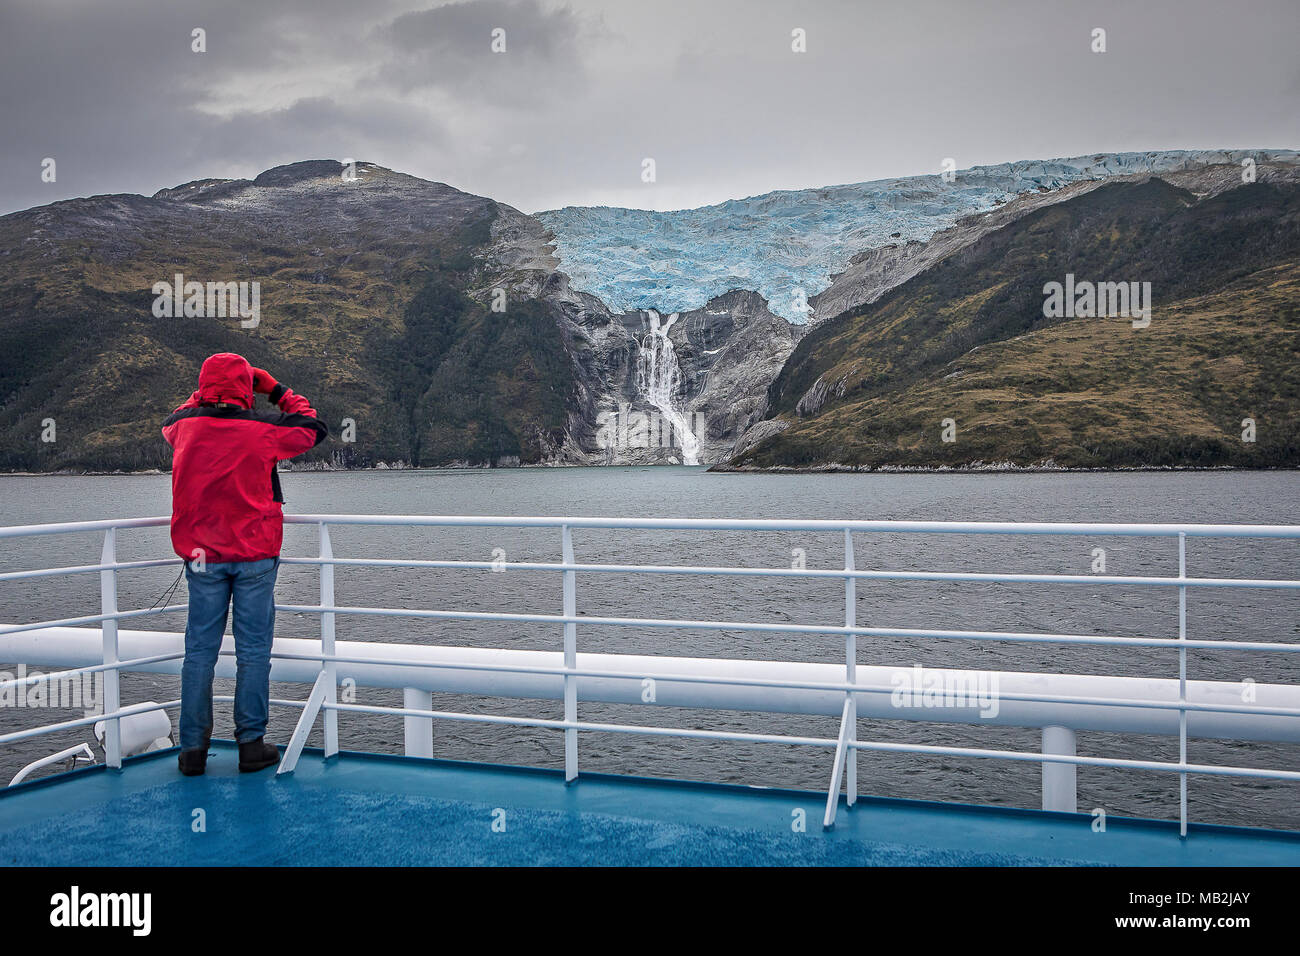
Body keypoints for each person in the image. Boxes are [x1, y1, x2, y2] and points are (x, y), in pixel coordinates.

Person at [162, 353, 328, 775]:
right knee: (253, 652)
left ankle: (192, 751)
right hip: (254, 554)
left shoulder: (184, 428)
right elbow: (312, 426)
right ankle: (251, 745)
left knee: (198, 652)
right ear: (245, 389)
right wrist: (274, 389)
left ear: (203, 387)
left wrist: (210, 393)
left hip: (202, 558)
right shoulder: (262, 430)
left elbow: (175, 415)